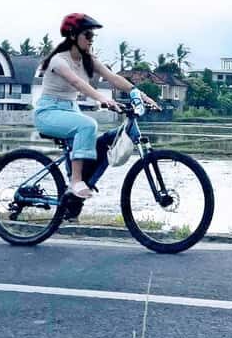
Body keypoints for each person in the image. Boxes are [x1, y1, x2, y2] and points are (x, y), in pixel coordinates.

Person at [36, 13, 159, 200]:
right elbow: (77, 82)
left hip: (70, 110)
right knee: (87, 125)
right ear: (72, 36)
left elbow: (114, 78)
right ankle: (76, 182)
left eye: (93, 36)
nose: (91, 40)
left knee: (104, 143)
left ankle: (73, 204)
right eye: (87, 35)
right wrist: (103, 99)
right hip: (49, 112)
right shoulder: (58, 61)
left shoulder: (88, 60)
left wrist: (140, 95)